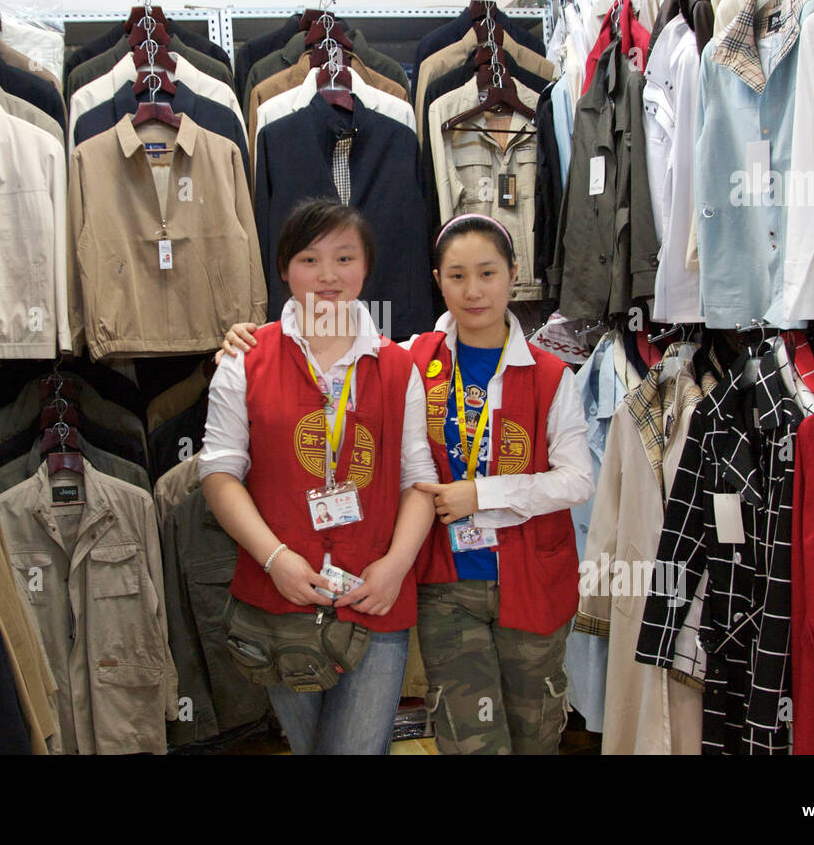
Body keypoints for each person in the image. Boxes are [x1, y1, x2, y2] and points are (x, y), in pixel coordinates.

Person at [218, 213, 594, 754]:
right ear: (436, 280)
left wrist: (481, 495)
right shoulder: (414, 357)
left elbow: (579, 480)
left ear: (513, 275)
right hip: (446, 582)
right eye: (457, 275)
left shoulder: (552, 374)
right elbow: (326, 348)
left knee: (535, 734)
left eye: (487, 273)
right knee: (470, 740)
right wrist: (240, 340)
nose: (474, 290)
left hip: (531, 577)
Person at [199, 197, 438, 756]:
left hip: (374, 596)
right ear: (283, 268)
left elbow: (418, 480)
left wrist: (395, 568)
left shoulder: (397, 365)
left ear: (367, 267)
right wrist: (275, 559)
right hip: (278, 597)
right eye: (309, 259)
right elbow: (218, 473)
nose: (328, 276)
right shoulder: (246, 359)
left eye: (345, 258)